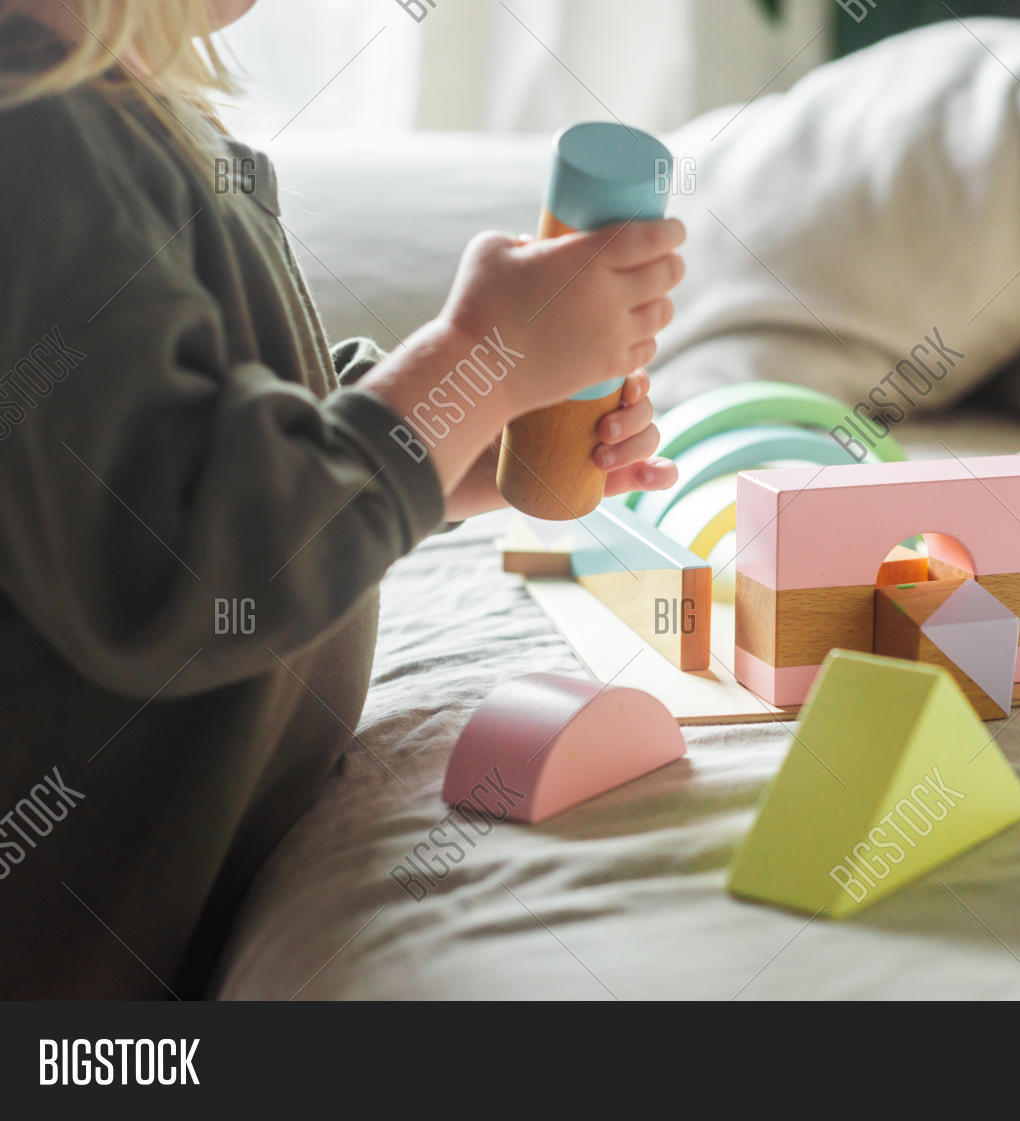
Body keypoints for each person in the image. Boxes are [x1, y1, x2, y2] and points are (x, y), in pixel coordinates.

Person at [0, 0, 685, 997]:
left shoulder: (124, 117)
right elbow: (185, 557)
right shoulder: (40, 137)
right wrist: (478, 363)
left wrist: (471, 439)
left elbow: (247, 440)